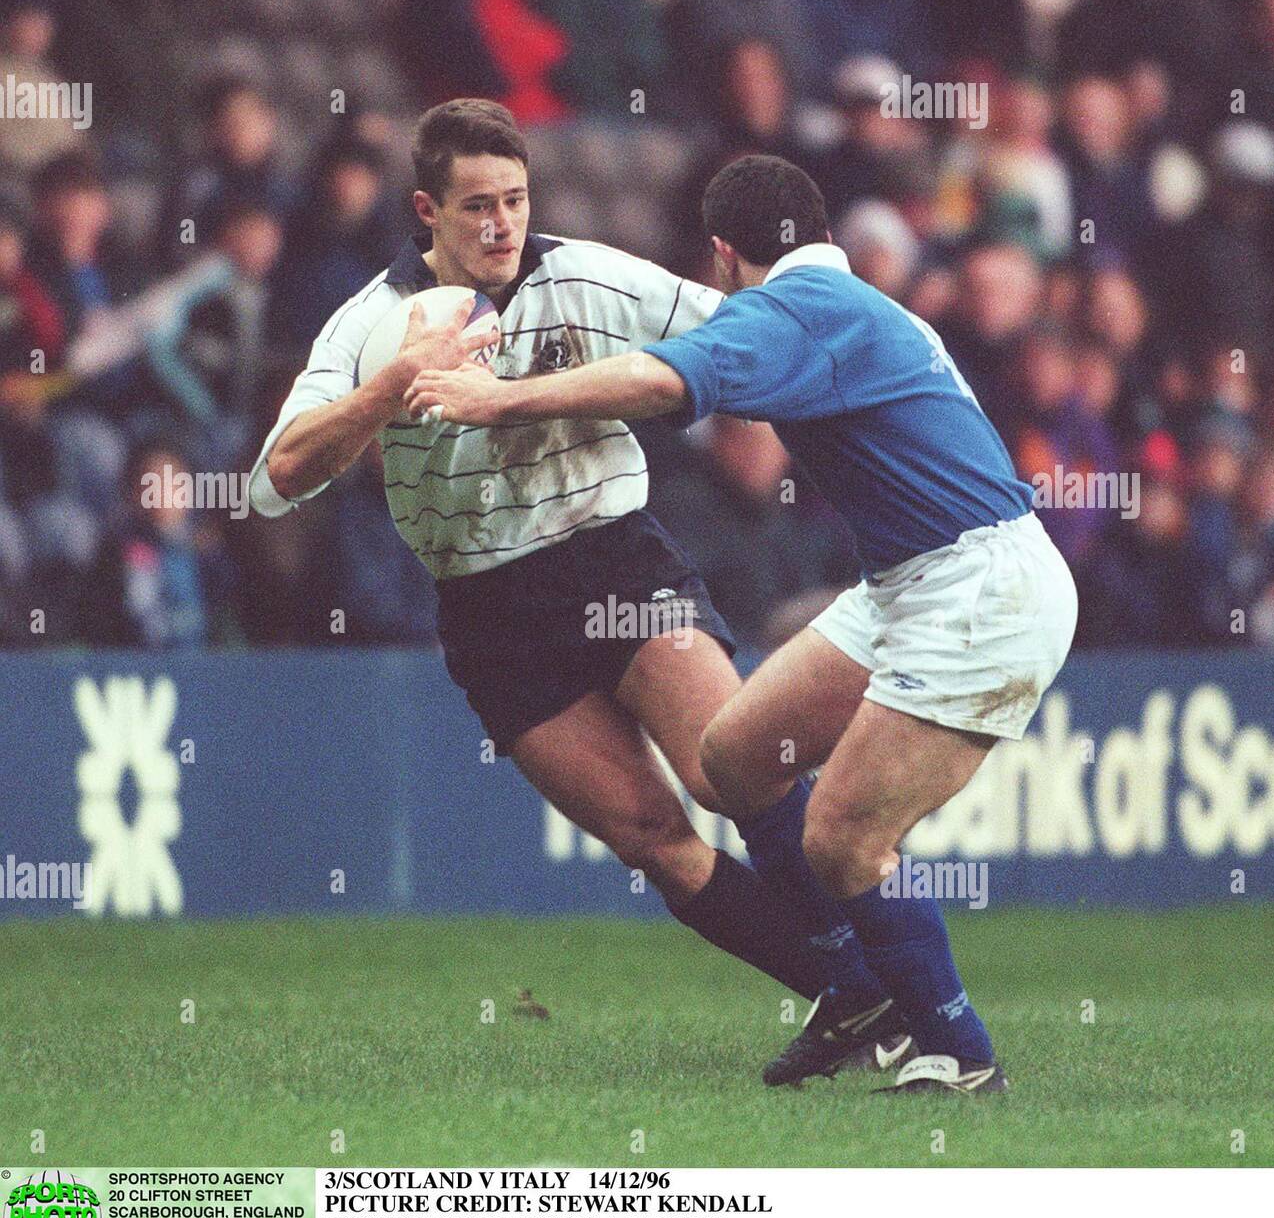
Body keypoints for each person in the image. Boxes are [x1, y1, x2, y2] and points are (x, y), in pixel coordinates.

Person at [408, 154, 1079, 1094]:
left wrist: (503, 398)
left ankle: (960, 1056)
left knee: (842, 840)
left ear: (724, 254)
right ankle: (853, 990)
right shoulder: (853, 304)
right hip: (913, 578)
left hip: (978, 587)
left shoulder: (796, 312)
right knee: (735, 755)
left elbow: (655, 381)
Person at [249, 104, 912, 1054]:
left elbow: (742, 332)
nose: (501, 224)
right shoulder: (370, 324)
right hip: (487, 608)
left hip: (612, 559)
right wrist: (392, 385)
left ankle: (905, 986)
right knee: (656, 839)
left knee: (729, 773)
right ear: (425, 210)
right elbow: (274, 482)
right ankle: (855, 994)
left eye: (515, 200)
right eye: (477, 205)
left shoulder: (587, 274)